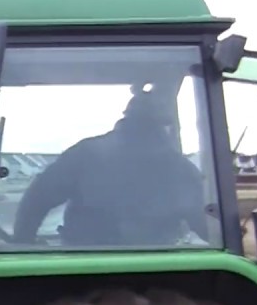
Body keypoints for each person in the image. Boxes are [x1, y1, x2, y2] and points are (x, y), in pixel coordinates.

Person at [11, 84, 208, 248]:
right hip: (155, 270)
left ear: (126, 119)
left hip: (81, 269)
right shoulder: (181, 169)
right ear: (164, 126)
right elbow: (207, 225)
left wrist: (22, 243)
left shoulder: (85, 153)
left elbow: (36, 200)